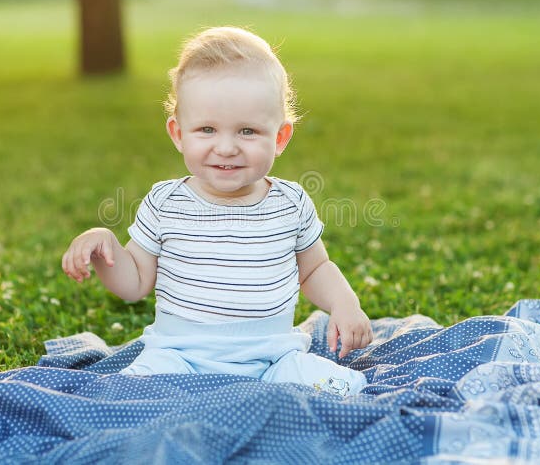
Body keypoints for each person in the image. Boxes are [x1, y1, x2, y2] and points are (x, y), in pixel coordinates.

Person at [62, 27, 372, 395]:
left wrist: (344, 303)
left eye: (247, 131)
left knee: (344, 391)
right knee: (132, 392)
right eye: (206, 129)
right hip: (179, 357)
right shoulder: (165, 203)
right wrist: (105, 249)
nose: (225, 148)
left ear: (280, 137)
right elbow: (134, 285)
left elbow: (316, 269)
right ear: (178, 134)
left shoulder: (290, 203)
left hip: (272, 360)